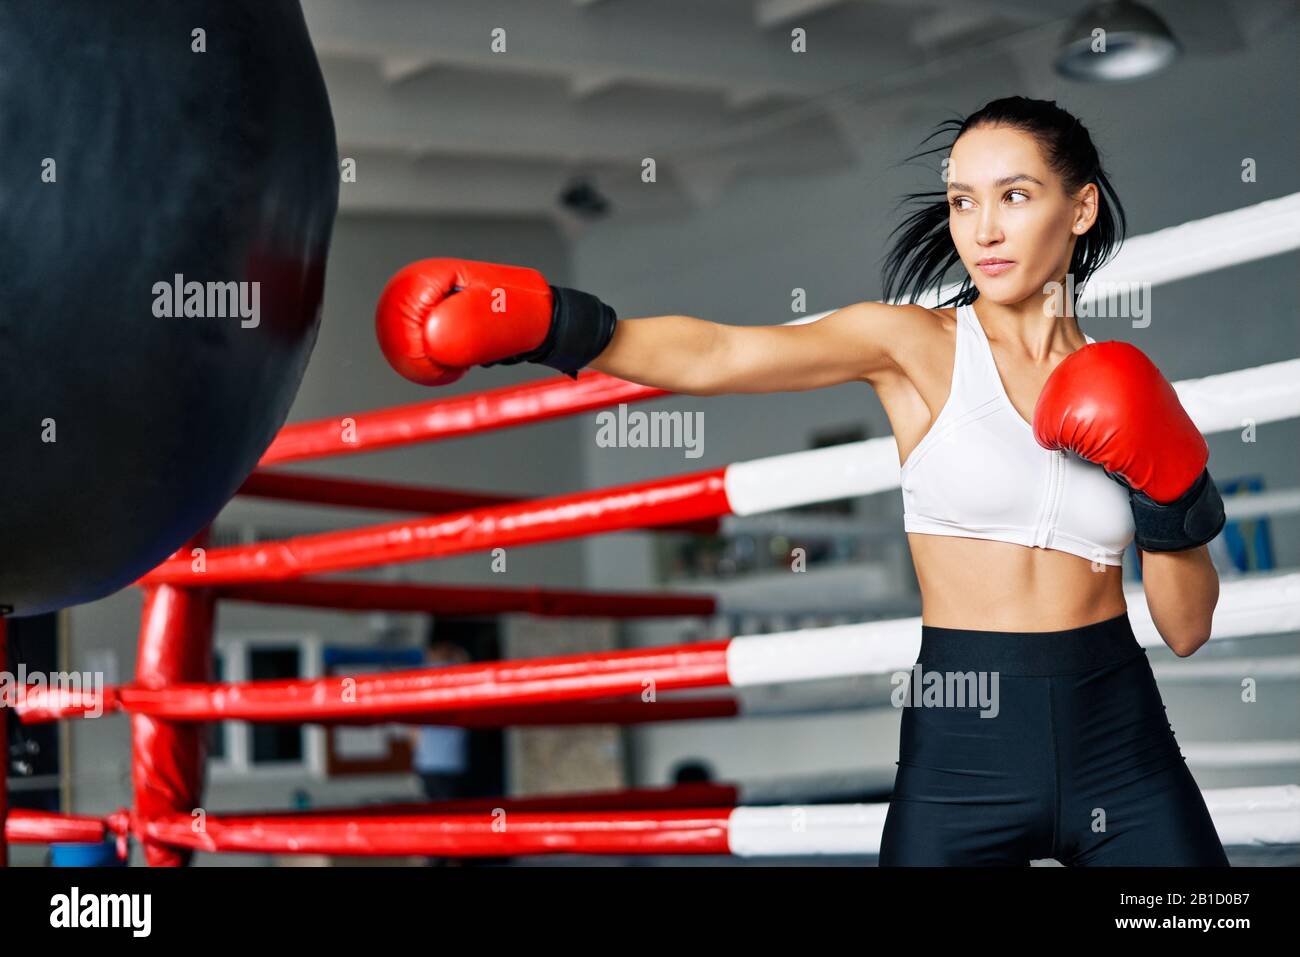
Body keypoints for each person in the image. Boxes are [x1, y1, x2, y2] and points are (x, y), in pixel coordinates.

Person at [374, 96, 1230, 867]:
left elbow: (1185, 629)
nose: (984, 230)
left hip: (1121, 740)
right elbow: (723, 352)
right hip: (967, 749)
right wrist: (555, 323)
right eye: (963, 201)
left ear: (1079, 207)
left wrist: (1171, 495)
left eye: (1015, 195)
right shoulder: (914, 345)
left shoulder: (1129, 382)